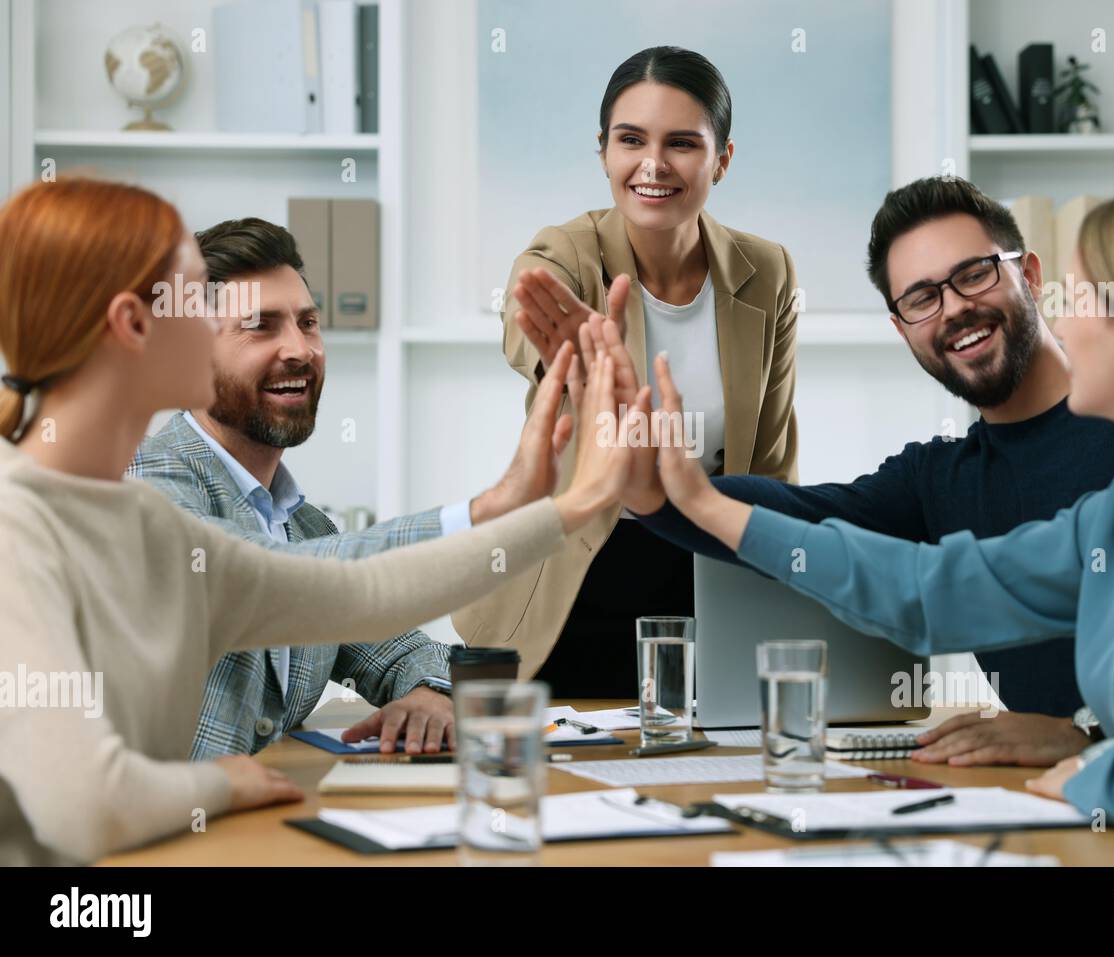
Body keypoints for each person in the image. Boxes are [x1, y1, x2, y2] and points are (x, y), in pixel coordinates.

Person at [648, 179, 1114, 865]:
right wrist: (696, 500)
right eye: (924, 295)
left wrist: (1093, 758)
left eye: (1078, 298)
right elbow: (927, 588)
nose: (1065, 321)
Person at [0, 177, 646, 864]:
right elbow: (87, 810)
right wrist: (224, 781)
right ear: (133, 325)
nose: (299, 347)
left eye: (307, 321)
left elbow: (358, 593)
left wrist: (564, 501)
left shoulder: (146, 524)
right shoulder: (20, 526)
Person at [628, 176, 1114, 766]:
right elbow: (805, 520)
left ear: (1028, 275)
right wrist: (652, 489)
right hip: (1040, 805)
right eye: (921, 298)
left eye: (974, 274)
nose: (954, 308)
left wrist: (1088, 738)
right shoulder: (938, 478)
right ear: (903, 329)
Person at [129, 218, 560, 758]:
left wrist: (428, 692)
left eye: (307, 323)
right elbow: (272, 578)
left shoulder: (302, 526)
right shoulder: (146, 481)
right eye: (259, 326)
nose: (300, 349)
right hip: (142, 837)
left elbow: (401, 647)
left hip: (245, 828)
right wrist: (490, 509)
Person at [453, 46, 799, 697]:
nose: (652, 164)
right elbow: (524, 320)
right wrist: (570, 358)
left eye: (682, 144)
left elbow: (773, 461)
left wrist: (783, 587)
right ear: (604, 150)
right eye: (630, 139)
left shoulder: (768, 271)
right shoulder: (565, 251)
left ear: (721, 159)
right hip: (572, 579)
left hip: (710, 574)